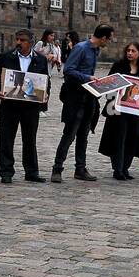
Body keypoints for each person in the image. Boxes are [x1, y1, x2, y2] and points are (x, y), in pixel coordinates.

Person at [52, 24, 112, 182]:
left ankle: (80, 169)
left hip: (89, 98)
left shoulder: (95, 50)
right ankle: (57, 169)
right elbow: (68, 70)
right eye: (109, 39)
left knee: (83, 135)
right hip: (75, 98)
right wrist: (87, 77)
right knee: (69, 134)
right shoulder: (81, 48)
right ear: (104, 38)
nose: (109, 42)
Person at [0, 29, 49, 184]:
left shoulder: (40, 60)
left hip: (30, 106)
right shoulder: (6, 57)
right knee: (7, 139)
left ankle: (31, 171)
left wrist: (46, 94)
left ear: (30, 42)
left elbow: (45, 81)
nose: (18, 42)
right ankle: (6, 172)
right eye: (17, 39)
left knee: (30, 139)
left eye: (22, 40)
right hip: (10, 105)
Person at [98, 42, 139, 180]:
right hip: (118, 109)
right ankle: (117, 169)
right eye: (128, 50)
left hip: (135, 110)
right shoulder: (118, 66)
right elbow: (108, 84)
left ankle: (125, 167)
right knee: (119, 137)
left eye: (133, 51)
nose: (130, 53)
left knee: (133, 137)